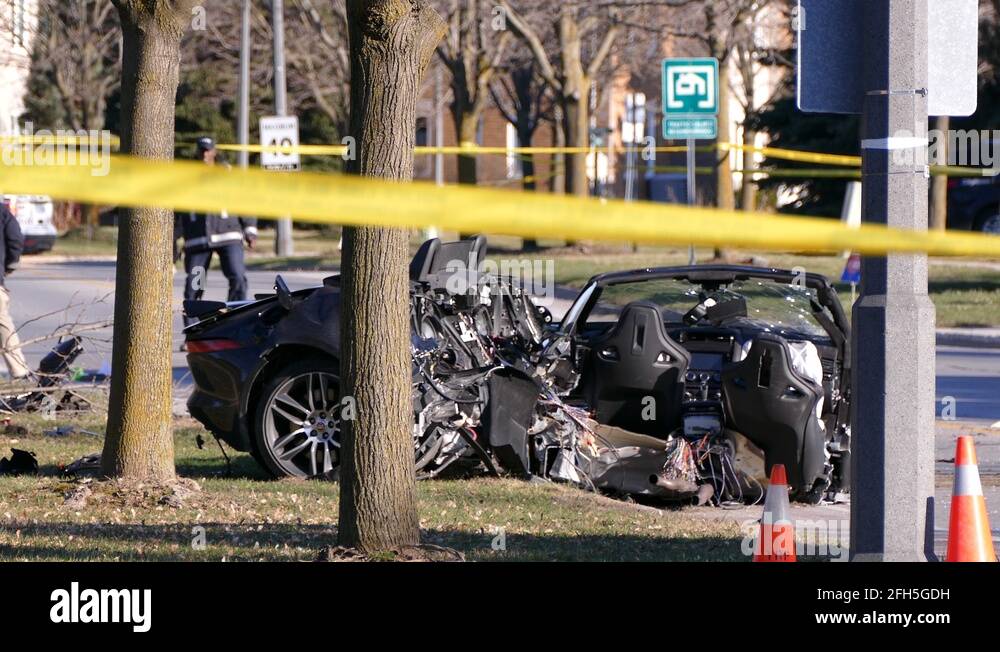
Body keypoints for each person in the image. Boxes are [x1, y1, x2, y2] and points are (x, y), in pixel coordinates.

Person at [177, 138, 258, 327]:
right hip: (198, 242)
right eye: (202, 151)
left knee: (237, 277)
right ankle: (193, 329)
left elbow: (243, 201)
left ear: (214, 152)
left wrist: (250, 230)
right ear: (198, 153)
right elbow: (179, 212)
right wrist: (174, 239)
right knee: (195, 286)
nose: (205, 154)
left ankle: (233, 322)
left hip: (228, 237)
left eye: (208, 150)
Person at [0, 199, 31, 380]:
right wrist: (10, 265)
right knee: (3, 326)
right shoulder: (3, 213)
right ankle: (19, 371)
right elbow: (15, 239)